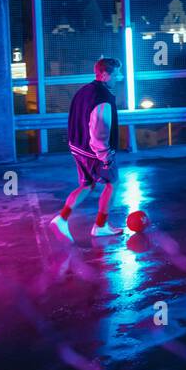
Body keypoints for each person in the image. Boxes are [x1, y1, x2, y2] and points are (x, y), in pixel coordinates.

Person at [53, 57, 125, 238]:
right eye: (115, 74)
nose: (120, 77)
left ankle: (62, 219)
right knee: (113, 184)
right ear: (103, 74)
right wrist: (105, 157)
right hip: (95, 152)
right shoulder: (104, 98)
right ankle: (100, 226)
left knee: (87, 185)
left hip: (78, 148)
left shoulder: (84, 91)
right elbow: (99, 130)